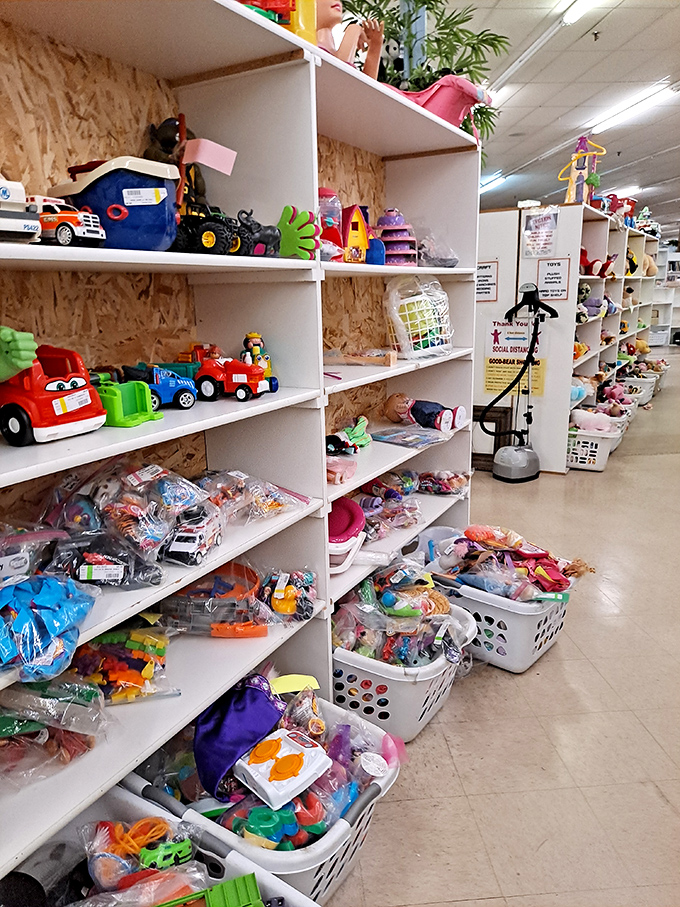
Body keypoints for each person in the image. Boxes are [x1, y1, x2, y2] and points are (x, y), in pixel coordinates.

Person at [316, 0, 384, 80]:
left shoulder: (333, 52)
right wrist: (354, 29)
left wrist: (375, 45)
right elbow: (340, 73)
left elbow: (366, 87)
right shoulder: (309, 46)